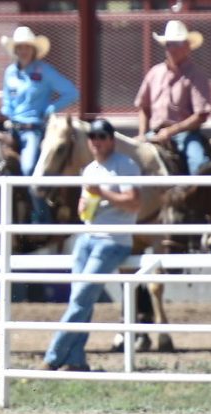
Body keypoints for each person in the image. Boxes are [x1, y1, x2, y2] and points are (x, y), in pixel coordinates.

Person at [43, 119, 141, 371]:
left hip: (112, 241)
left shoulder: (125, 165)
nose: (96, 141)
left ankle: (53, 357)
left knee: (80, 299)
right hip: (87, 238)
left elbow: (133, 203)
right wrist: (84, 207)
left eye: (101, 136)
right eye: (92, 137)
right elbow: (85, 207)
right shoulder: (89, 169)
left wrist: (101, 194)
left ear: (111, 139)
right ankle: (76, 360)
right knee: (80, 300)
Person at [0, 26, 79, 224]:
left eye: (27, 47)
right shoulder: (10, 73)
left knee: (28, 170)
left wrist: (50, 109)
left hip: (32, 131)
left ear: (33, 50)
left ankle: (42, 217)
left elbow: (72, 92)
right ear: (15, 50)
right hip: (10, 129)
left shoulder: (45, 71)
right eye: (20, 47)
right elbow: (7, 102)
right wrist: (4, 113)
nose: (23, 50)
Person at [135, 20, 211, 175]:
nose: (171, 48)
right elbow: (143, 107)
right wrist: (142, 133)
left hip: (186, 135)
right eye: (169, 44)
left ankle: (197, 198)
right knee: (128, 157)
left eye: (176, 43)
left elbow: (201, 116)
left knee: (199, 164)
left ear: (187, 46)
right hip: (154, 133)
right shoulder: (154, 73)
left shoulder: (196, 75)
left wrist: (171, 131)